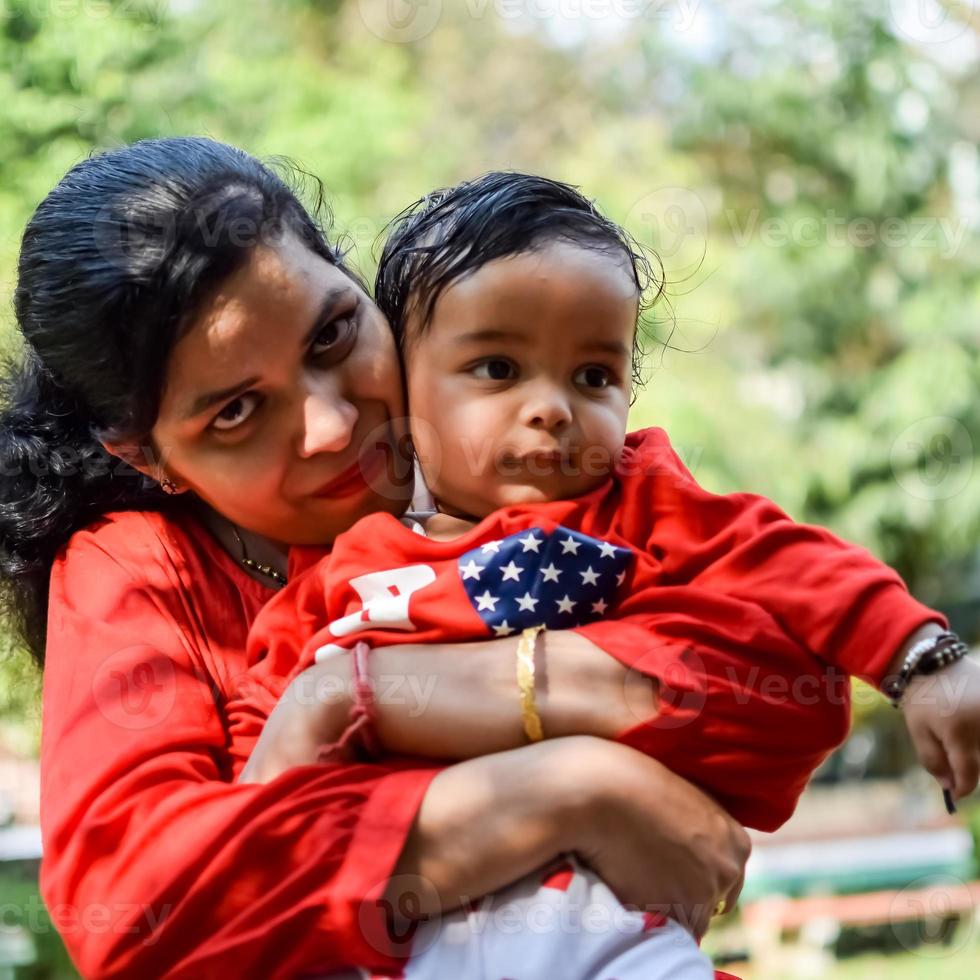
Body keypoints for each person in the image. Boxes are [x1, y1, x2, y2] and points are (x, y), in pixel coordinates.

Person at [0, 138, 750, 979]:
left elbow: (764, 687)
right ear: (151, 459)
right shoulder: (136, 571)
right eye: (238, 411)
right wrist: (567, 790)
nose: (331, 426)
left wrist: (349, 701)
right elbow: (140, 911)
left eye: (331, 336)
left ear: (354, 280)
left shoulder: (511, 460)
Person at [229, 173, 980, 973]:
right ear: (406, 386)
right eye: (497, 368)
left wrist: (920, 661)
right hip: (420, 938)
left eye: (593, 376)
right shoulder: (350, 570)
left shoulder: (641, 502)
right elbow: (268, 731)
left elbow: (790, 561)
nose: (552, 406)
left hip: (617, 930)